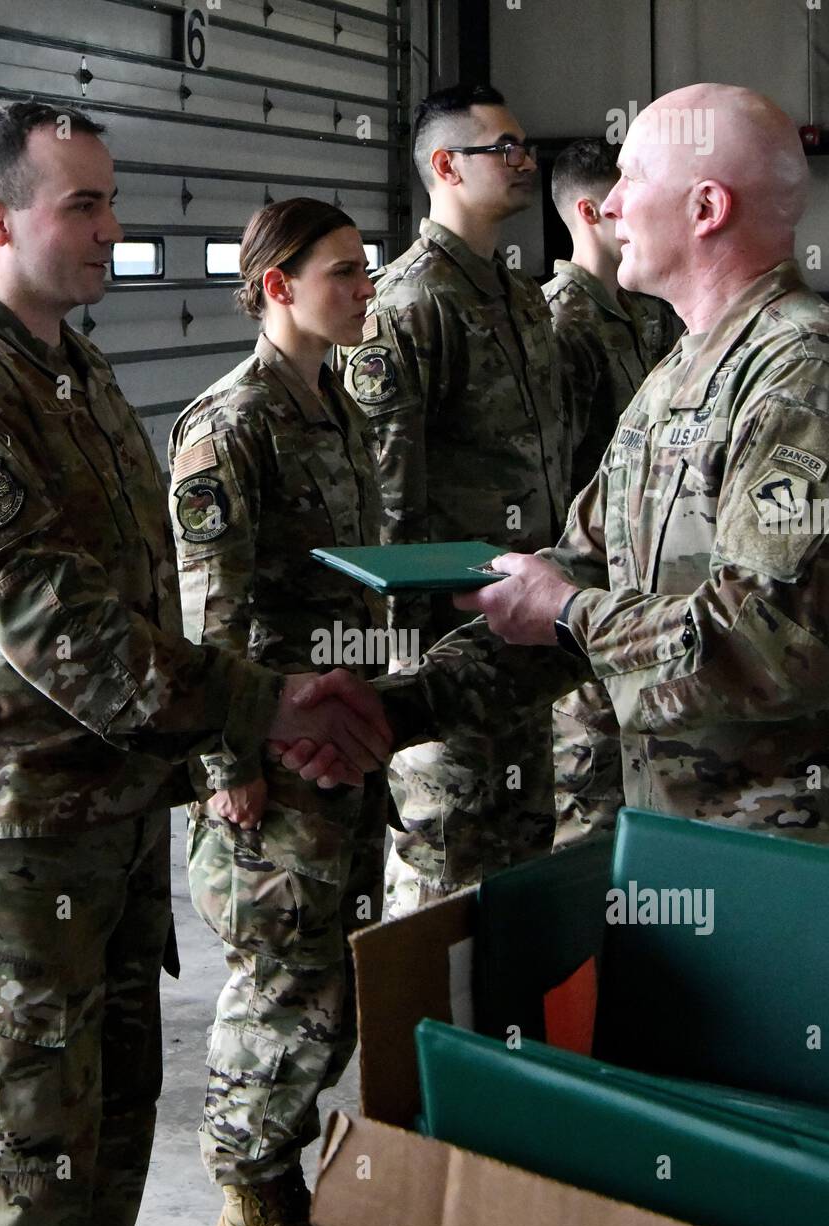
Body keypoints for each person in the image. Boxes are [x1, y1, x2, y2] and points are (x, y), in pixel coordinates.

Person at [0, 102, 389, 1226]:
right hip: (11, 845)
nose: (114, 228)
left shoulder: (74, 374)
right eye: (86, 204)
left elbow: (149, 598)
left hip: (110, 823)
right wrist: (262, 709)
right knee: (15, 1180)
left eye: (114, 199)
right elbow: (57, 624)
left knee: (108, 1149)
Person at [346, 84, 829, 845]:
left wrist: (569, 613)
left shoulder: (799, 376)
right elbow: (580, 568)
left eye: (631, 180)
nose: (609, 207)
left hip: (780, 858)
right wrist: (392, 707)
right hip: (681, 830)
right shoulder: (679, 375)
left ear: (706, 210)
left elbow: (772, 641)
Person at [169, 198, 386, 1226]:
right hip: (270, 763)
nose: (364, 289)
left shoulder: (334, 405)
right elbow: (208, 618)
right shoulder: (231, 424)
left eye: (366, 269)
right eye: (344, 272)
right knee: (278, 995)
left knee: (325, 996)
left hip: (335, 752)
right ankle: (247, 1219)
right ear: (276, 288)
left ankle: (283, 1203)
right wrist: (227, 767)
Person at [340, 82, 569, 917]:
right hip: (446, 637)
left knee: (521, 862)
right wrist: (408, 657)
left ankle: (502, 1043)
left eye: (524, 146)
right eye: (502, 148)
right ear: (445, 166)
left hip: (523, 628)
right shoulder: (408, 303)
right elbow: (388, 494)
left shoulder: (517, 297)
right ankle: (426, 1045)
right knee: (445, 874)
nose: (524, 161)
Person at [543, 138, 682, 849]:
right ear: (594, 211)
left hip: (638, 587)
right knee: (589, 796)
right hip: (592, 577)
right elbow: (560, 467)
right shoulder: (561, 322)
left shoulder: (636, 309)